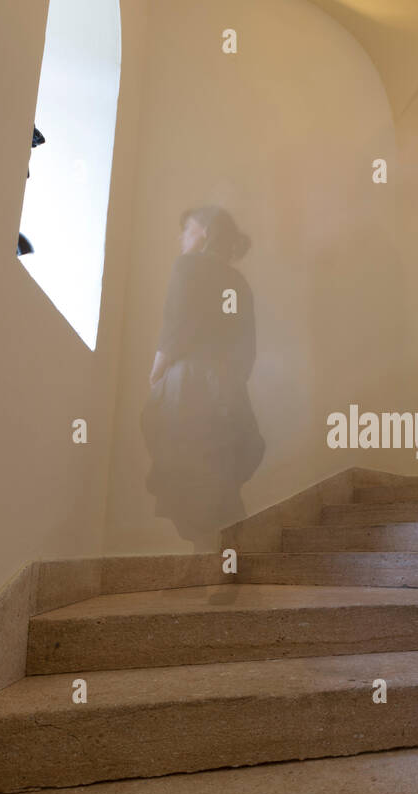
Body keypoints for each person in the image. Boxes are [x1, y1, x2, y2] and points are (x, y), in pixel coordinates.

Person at [140, 206, 264, 548]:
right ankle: (221, 564)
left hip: (190, 384)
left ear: (205, 232)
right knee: (218, 475)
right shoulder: (240, 283)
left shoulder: (188, 266)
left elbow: (175, 321)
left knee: (191, 472)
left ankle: (214, 567)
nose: (181, 236)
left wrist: (157, 368)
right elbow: (247, 348)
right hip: (228, 389)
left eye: (187, 229)